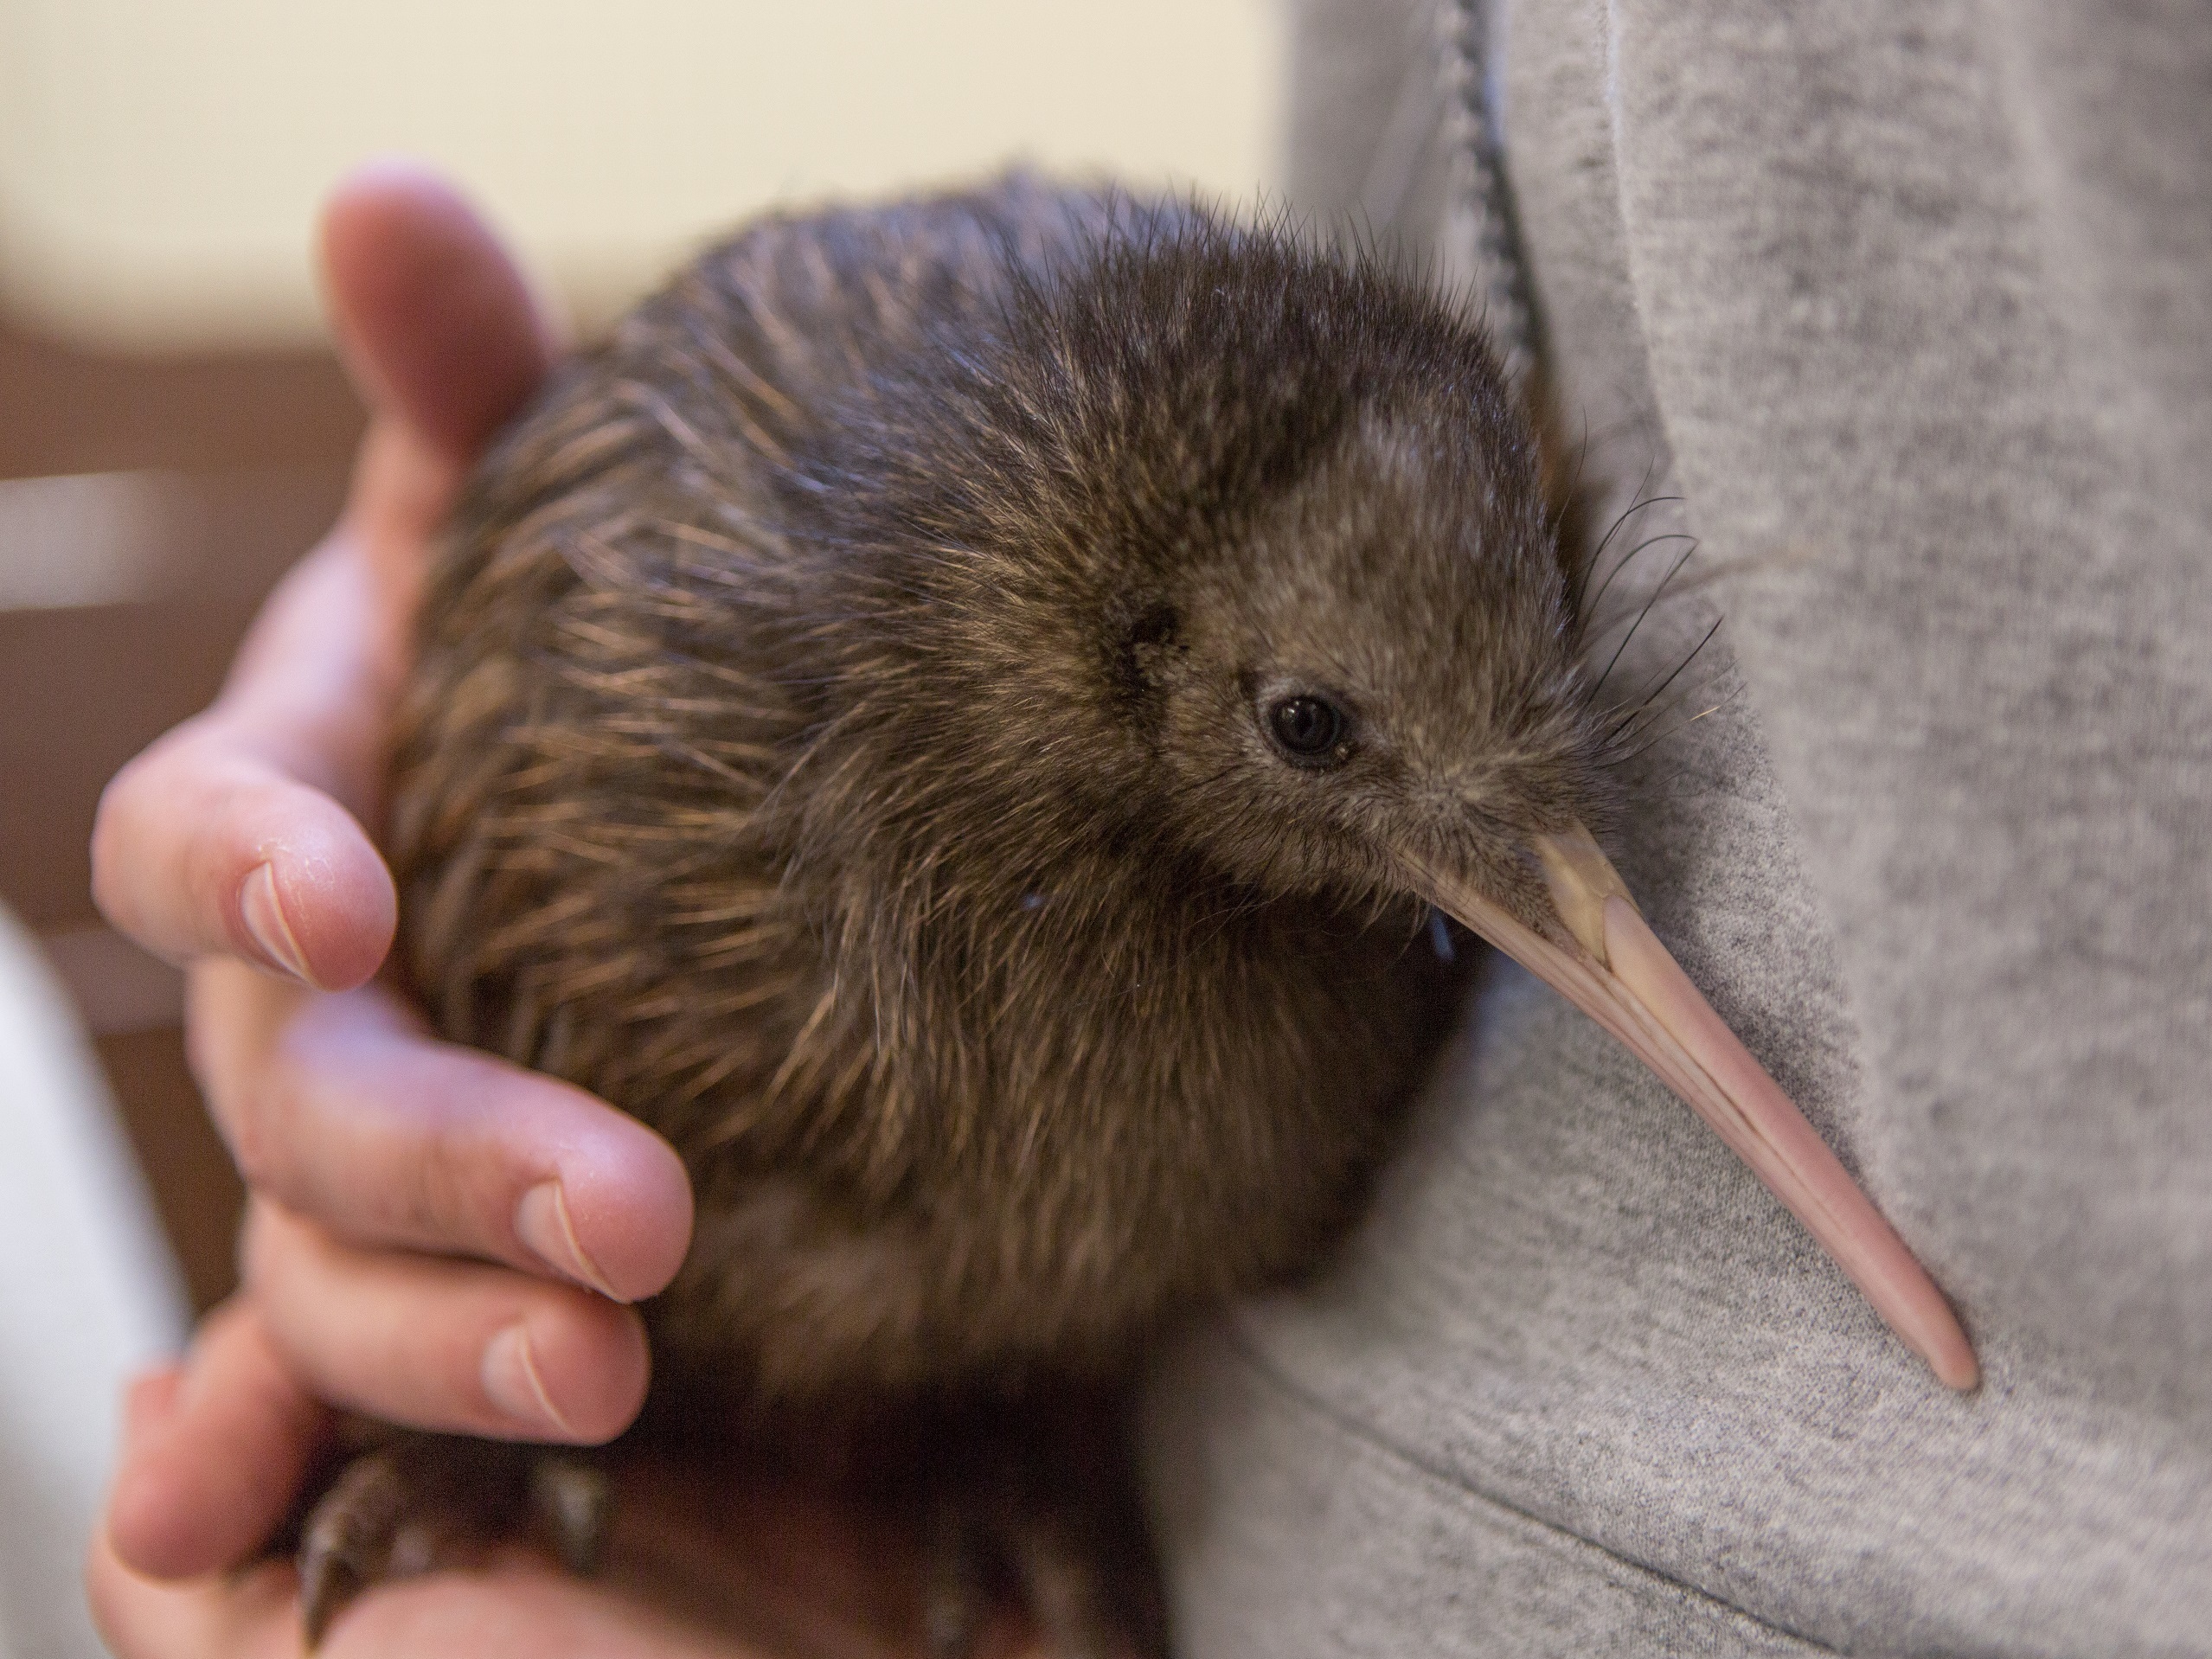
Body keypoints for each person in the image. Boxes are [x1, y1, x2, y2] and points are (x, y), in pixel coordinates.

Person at [87, 2, 2212, 1654]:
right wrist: (402, 734)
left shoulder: (1309, 809)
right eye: (1308, 732)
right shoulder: (724, 898)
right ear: (1119, 661)